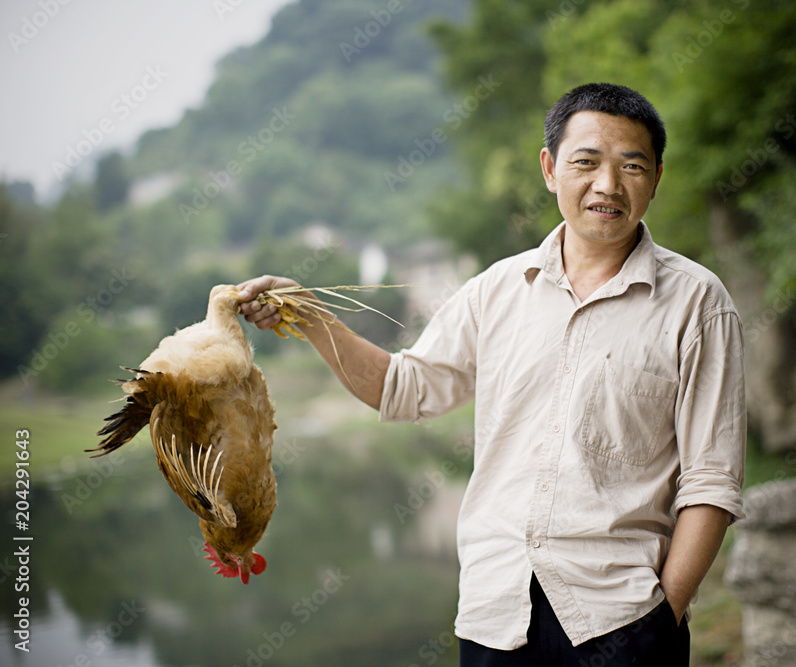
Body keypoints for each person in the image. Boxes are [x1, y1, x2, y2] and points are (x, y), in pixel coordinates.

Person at [238, 82, 746, 665]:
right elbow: (404, 389)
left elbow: (711, 481)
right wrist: (309, 313)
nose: (607, 185)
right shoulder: (496, 291)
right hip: (495, 615)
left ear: (655, 179)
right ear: (551, 169)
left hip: (622, 618)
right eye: (586, 162)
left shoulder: (696, 302)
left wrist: (664, 617)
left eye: (631, 166)